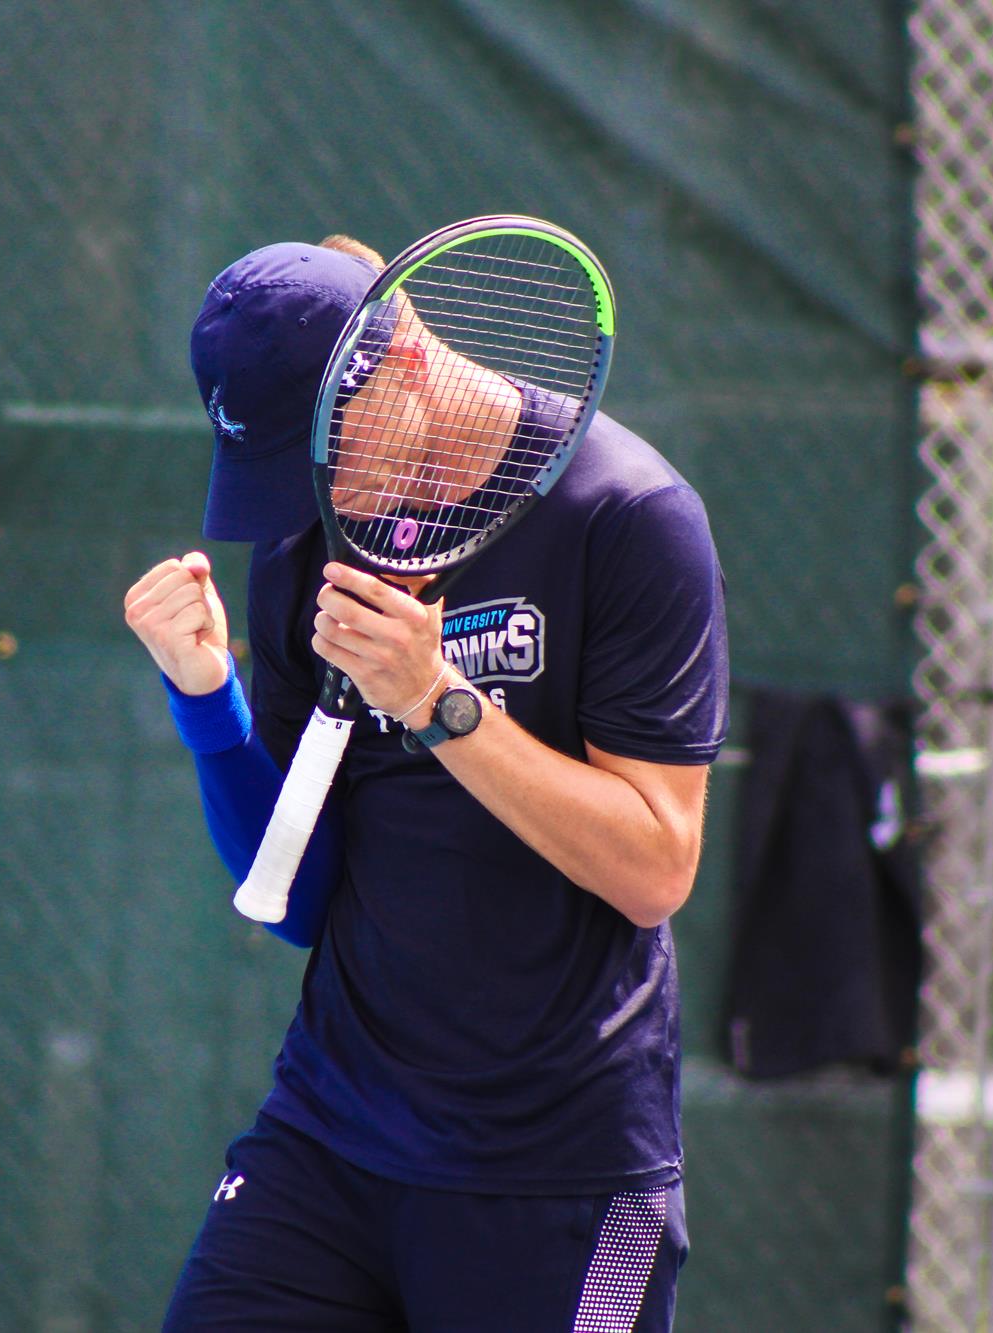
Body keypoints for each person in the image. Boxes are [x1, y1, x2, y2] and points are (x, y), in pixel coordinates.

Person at [124, 233, 728, 1331]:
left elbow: (654, 865)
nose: (315, 495)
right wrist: (207, 701)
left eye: (324, 453)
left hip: (566, 1181)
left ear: (398, 353)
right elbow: (297, 900)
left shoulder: (630, 518)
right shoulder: (308, 534)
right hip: (329, 1137)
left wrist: (439, 702)